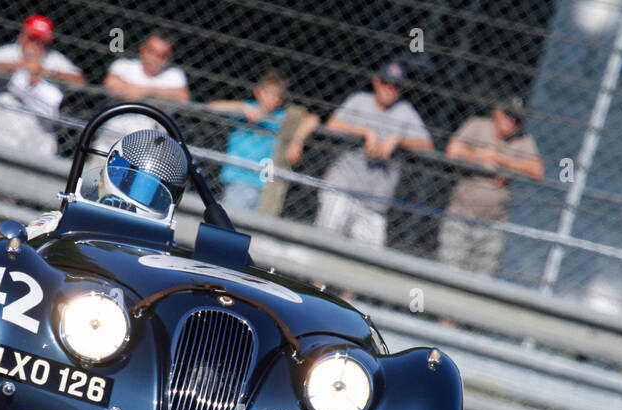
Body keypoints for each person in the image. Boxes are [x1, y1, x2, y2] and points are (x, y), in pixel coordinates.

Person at [314, 60, 434, 247]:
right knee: (323, 246)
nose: (390, 89)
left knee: (367, 263)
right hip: (343, 187)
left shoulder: (405, 111)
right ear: (376, 82)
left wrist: (398, 140)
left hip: (375, 201)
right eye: (386, 83)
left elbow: (427, 145)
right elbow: (333, 123)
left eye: (396, 86)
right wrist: (365, 132)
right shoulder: (359, 100)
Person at [438, 96, 543, 277]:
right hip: (461, 214)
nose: (511, 122)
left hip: (493, 223)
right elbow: (453, 150)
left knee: (481, 279)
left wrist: (501, 160)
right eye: (508, 116)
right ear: (497, 113)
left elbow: (537, 170)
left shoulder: (523, 140)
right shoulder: (478, 125)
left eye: (517, 119)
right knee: (448, 272)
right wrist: (480, 158)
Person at [208, 70, 318, 212]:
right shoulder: (245, 109)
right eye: (268, 93)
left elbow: (312, 119)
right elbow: (212, 106)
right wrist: (242, 108)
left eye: (276, 96)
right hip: (239, 179)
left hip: (266, 185)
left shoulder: (280, 117)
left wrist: (297, 140)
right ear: (258, 92)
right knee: (230, 223)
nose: (271, 99)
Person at [0, 14, 84, 157]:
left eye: (43, 42)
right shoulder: (9, 52)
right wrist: (22, 66)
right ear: (22, 37)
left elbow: (79, 82)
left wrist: (46, 71)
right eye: (33, 39)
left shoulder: (53, 59)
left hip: (36, 141)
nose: (37, 46)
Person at [96, 33, 189, 149]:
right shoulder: (124, 65)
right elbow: (111, 84)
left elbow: (183, 97)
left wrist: (144, 91)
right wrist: (155, 99)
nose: (156, 59)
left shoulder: (174, 75)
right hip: (109, 145)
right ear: (142, 50)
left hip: (149, 151)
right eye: (152, 52)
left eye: (163, 56)